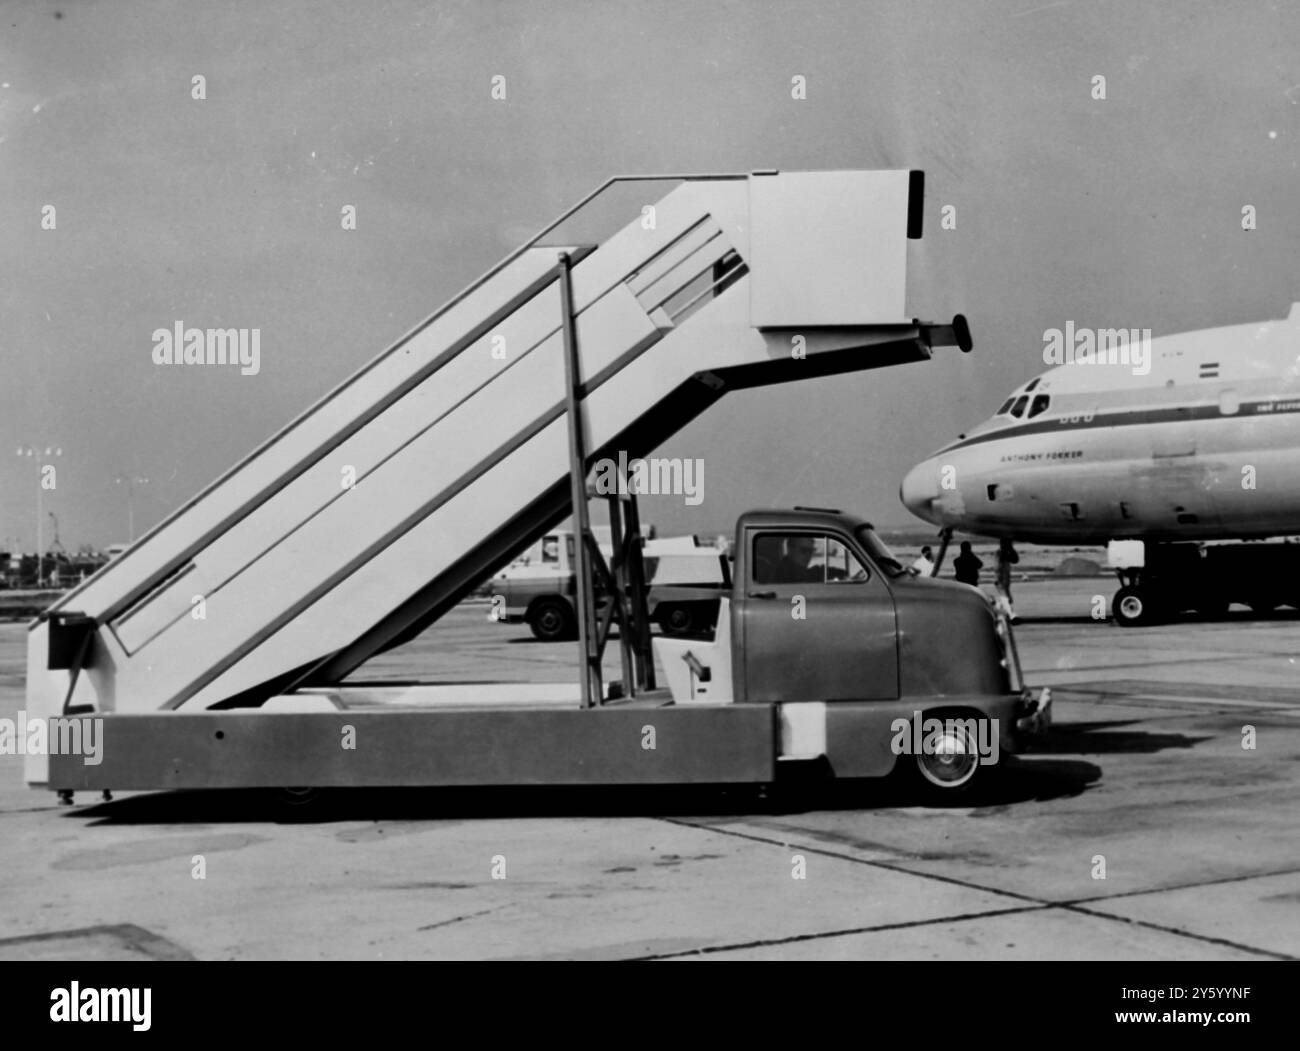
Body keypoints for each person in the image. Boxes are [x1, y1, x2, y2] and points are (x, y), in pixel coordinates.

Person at [995, 538, 1020, 621]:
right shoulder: (1000, 553)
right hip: (1001, 578)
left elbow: (1015, 560)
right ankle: (1012, 615)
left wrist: (1012, 550)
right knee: (1005, 598)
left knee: (1006, 598)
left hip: (1005, 579)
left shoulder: (1005, 553)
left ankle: (998, 612)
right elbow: (997, 567)